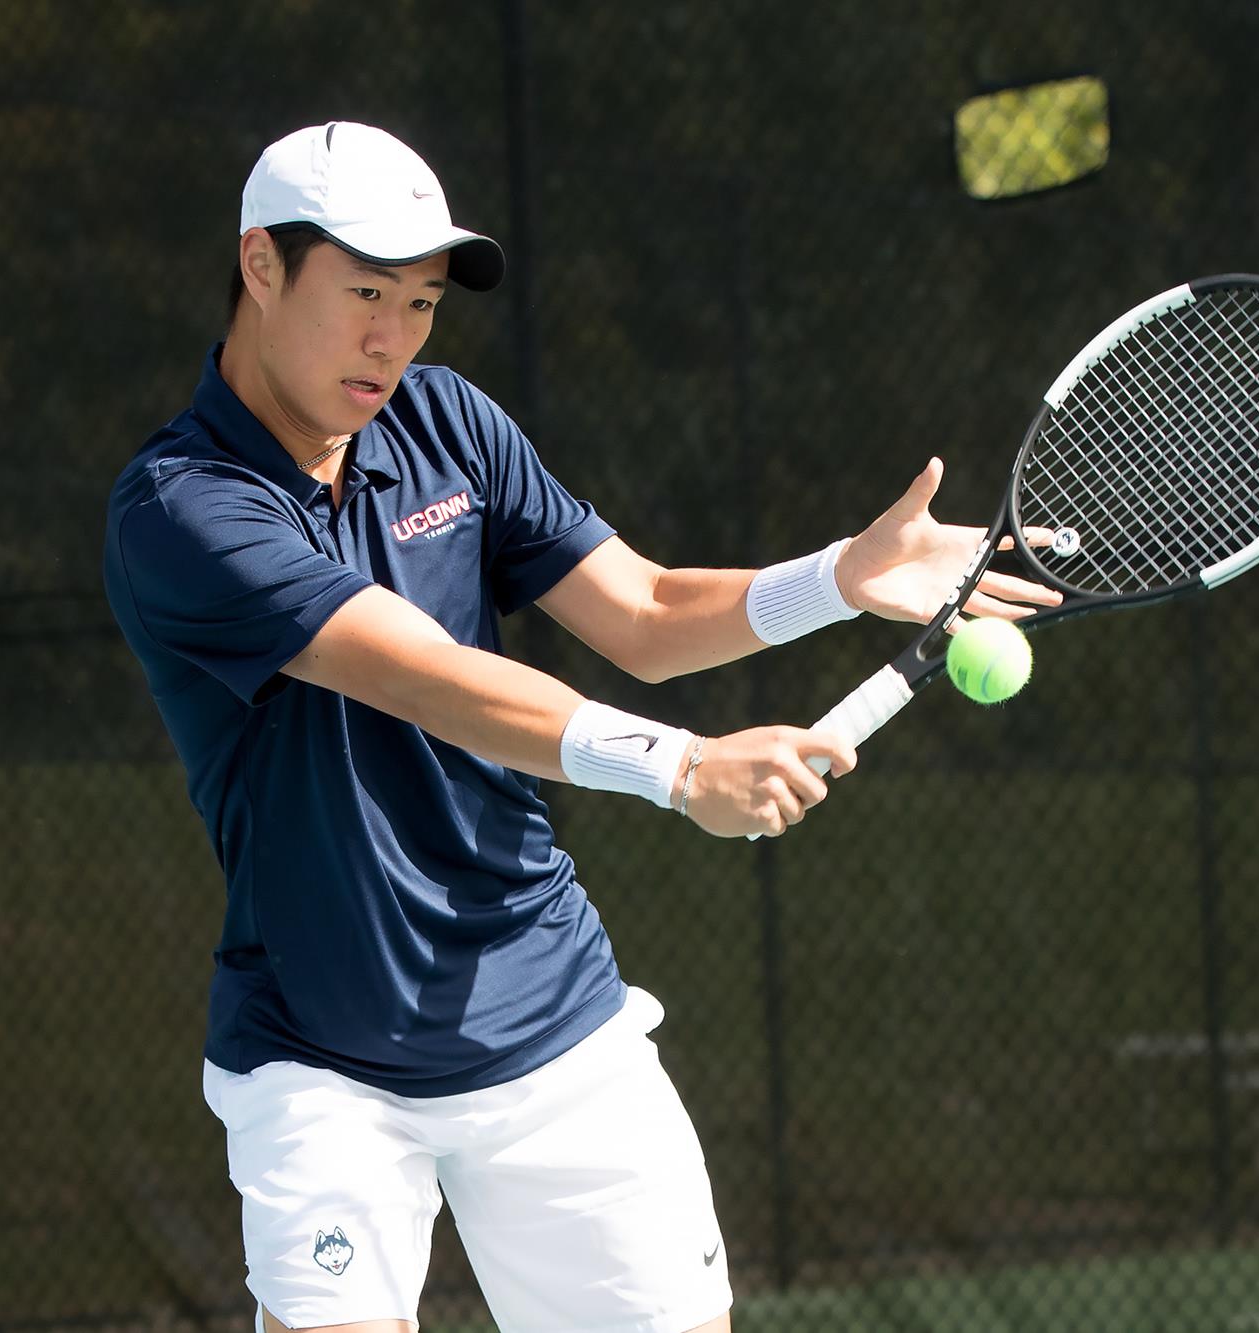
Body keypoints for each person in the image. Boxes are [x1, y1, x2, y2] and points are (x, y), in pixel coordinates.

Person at [102, 121, 1059, 1333]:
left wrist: (839, 576)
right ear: (259, 267)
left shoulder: (447, 424)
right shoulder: (181, 509)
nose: (391, 338)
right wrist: (682, 765)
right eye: (360, 294)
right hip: (320, 1060)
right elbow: (427, 678)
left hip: (552, 1023)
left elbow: (647, 612)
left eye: (421, 304)